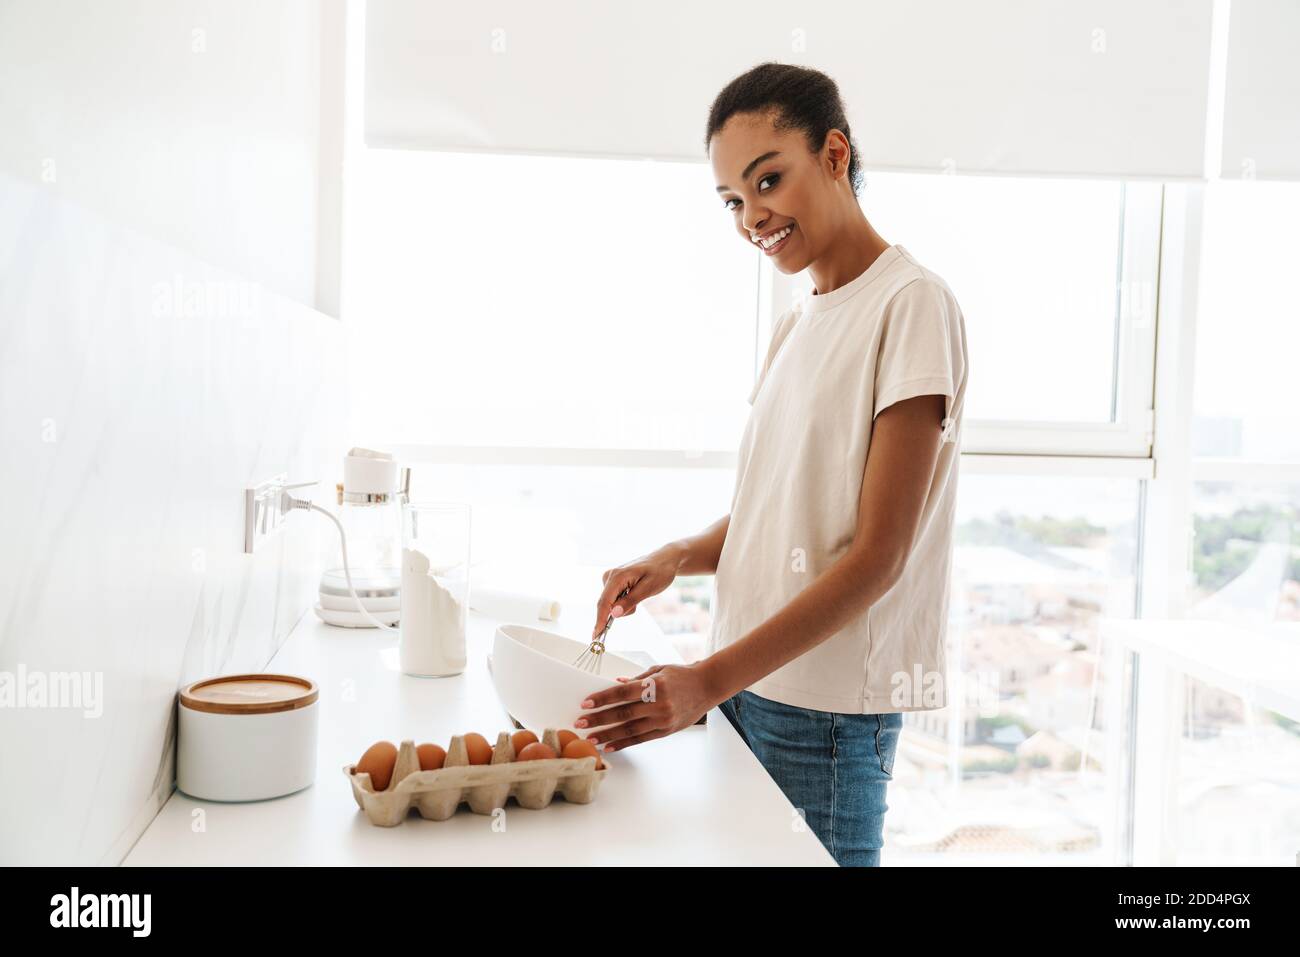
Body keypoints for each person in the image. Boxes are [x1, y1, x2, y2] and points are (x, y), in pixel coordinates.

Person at [574, 62, 970, 866]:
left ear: (833, 154)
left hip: (822, 716)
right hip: (749, 691)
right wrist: (676, 557)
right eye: (732, 201)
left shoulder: (911, 304)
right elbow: (781, 508)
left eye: (767, 181)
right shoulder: (798, 324)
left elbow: (878, 558)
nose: (752, 217)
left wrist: (705, 679)